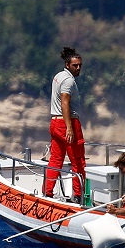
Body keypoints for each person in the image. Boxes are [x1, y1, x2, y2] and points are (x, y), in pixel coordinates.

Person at [44, 47, 86, 202]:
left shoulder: (58, 76)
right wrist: (69, 127)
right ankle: (78, 195)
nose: (78, 68)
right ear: (68, 65)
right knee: (78, 161)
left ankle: (47, 192)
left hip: (55, 122)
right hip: (67, 123)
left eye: (80, 65)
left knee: (56, 159)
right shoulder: (68, 80)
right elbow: (65, 102)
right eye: (75, 65)